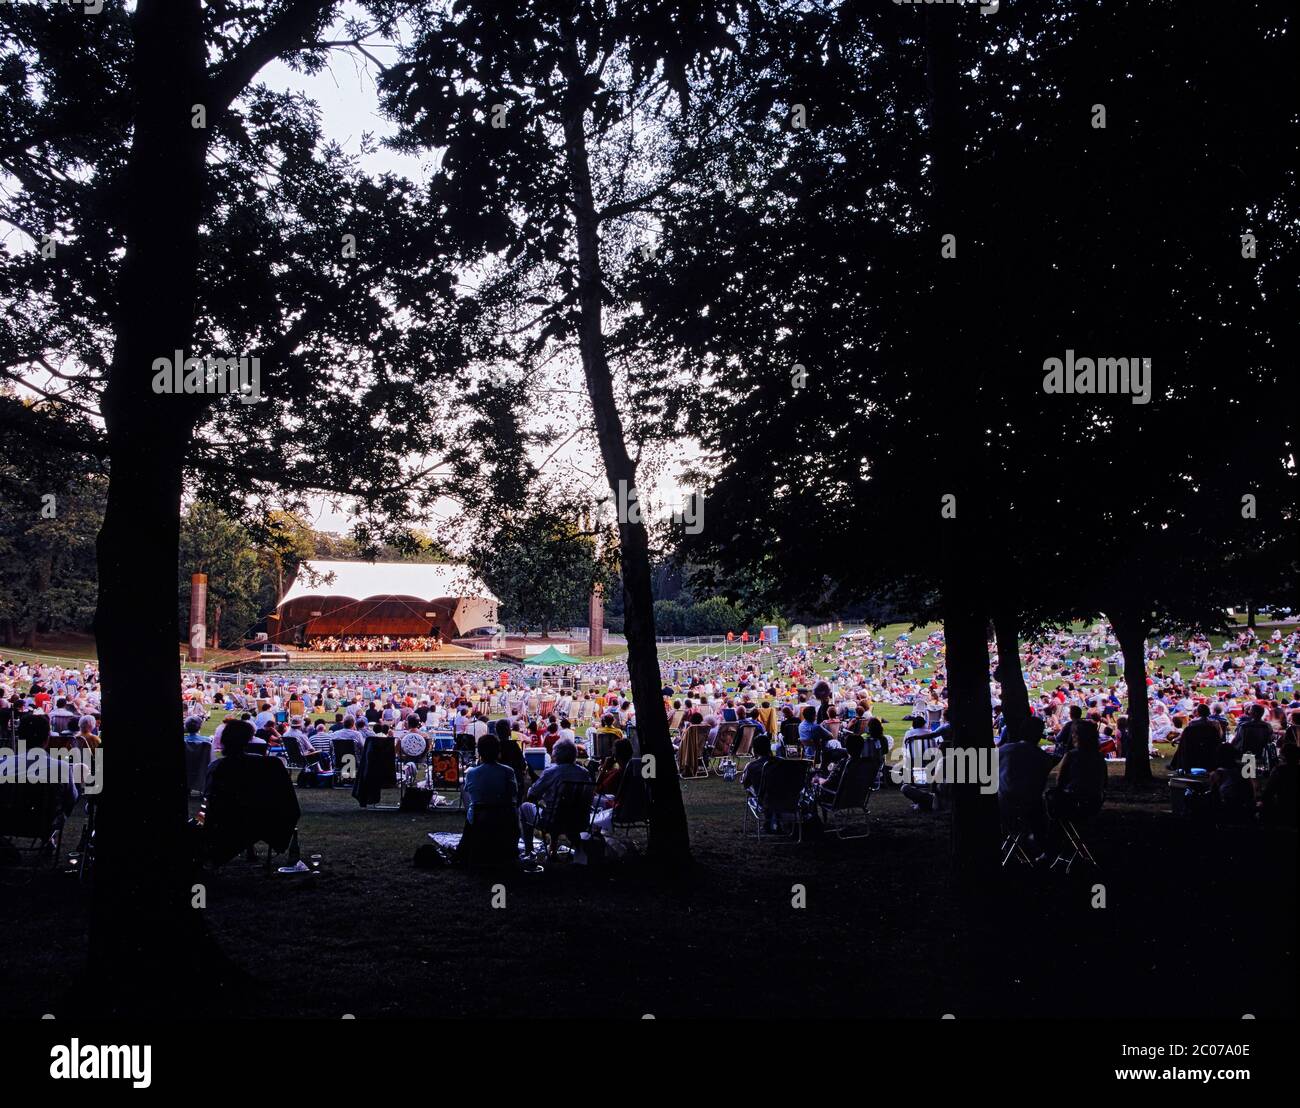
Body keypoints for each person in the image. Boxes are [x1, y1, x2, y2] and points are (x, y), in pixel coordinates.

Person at [195, 720, 303, 867]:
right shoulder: (270, 765)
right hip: (266, 817)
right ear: (249, 739)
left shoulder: (217, 767)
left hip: (228, 820)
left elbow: (210, 799)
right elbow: (286, 798)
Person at [519, 738, 591, 855]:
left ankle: (529, 850)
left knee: (525, 807)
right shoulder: (584, 773)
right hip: (580, 820)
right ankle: (556, 846)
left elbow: (532, 795)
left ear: (556, 755)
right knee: (559, 807)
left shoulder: (551, 772)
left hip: (553, 821)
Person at [997, 721, 1054, 853]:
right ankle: (1041, 849)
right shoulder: (1043, 757)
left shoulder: (1003, 750)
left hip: (1002, 804)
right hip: (1029, 806)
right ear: (1039, 735)